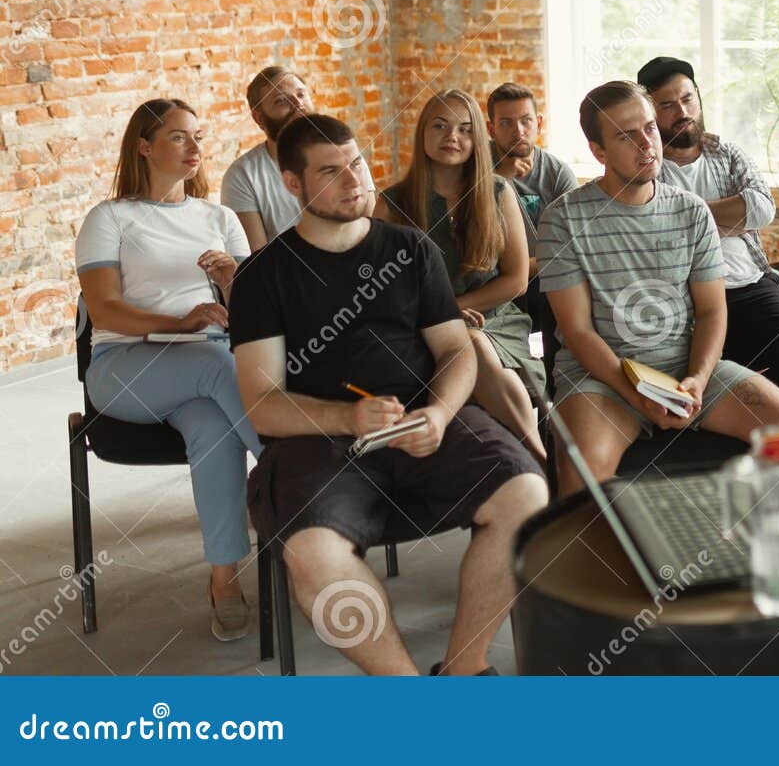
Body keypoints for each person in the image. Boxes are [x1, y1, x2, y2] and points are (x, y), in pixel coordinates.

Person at [231, 113, 547, 675]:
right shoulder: (262, 276)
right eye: (332, 171)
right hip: (320, 439)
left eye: (357, 163)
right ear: (292, 184)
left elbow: (455, 351)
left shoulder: (411, 249)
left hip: (425, 418)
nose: (355, 181)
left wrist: (441, 412)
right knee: (313, 556)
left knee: (527, 496)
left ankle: (465, 671)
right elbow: (262, 400)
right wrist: (349, 417)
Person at [536, 80, 779, 492]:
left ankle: (743, 547)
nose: (647, 143)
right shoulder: (563, 219)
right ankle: (604, 557)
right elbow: (577, 333)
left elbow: (712, 310)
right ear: (598, 151)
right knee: (581, 469)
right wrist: (636, 395)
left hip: (685, 373)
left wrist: (698, 379)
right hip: (603, 380)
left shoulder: (692, 211)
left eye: (649, 127)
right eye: (626, 136)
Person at [75, 98, 262, 642]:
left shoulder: (220, 218)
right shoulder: (109, 218)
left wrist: (232, 282)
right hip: (125, 367)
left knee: (212, 424)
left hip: (207, 366)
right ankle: (296, 479)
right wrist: (181, 323)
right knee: (213, 362)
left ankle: (224, 578)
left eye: (198, 137)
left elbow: (253, 312)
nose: (196, 149)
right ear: (144, 146)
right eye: (180, 137)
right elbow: (105, 311)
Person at [374, 90, 545, 464]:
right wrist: (442, 316)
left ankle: (538, 460)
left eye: (465, 129)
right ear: (422, 134)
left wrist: (454, 308)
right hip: (418, 327)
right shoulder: (391, 203)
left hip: (498, 321)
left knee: (475, 340)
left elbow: (516, 280)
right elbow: (379, 290)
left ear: (477, 139)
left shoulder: (498, 192)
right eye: (440, 126)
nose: (453, 136)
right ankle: (544, 462)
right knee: (470, 340)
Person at [636, 55, 779, 402]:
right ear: (651, 113)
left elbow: (762, 208)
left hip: (749, 284)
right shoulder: (648, 167)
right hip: (686, 296)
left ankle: (745, 424)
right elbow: (658, 227)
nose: (682, 111)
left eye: (688, 99)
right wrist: (730, 215)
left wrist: (692, 215)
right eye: (668, 105)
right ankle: (724, 422)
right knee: (684, 369)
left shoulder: (726, 153)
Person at [485, 82, 578, 327]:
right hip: (485, 277)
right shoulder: (474, 165)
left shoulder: (557, 173)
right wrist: (499, 180)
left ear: (539, 123)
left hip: (540, 276)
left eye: (526, 120)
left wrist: (519, 270)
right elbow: (462, 223)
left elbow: (569, 246)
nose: (518, 131)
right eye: (506, 123)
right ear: (491, 128)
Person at [221, 65, 312, 251]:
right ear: (259, 119)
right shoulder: (242, 175)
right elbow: (257, 260)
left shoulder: (344, 152)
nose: (298, 104)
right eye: (281, 101)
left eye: (301, 95)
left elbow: (367, 224)